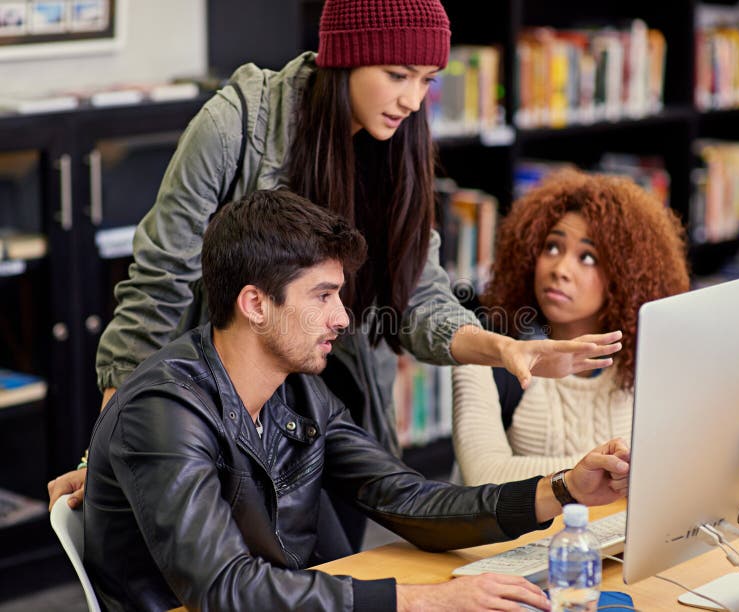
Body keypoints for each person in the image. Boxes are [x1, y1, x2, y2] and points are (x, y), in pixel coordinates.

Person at [48, 0, 621, 539]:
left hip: (330, 403)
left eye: (427, 80)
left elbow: (419, 304)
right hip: (227, 396)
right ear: (343, 56)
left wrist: (504, 350)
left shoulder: (400, 147)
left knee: (334, 561)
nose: (414, 101)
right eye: (398, 74)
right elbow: (157, 287)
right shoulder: (236, 125)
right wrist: (103, 448)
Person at [80, 189, 630, 611]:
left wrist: (563, 489)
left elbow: (407, 499)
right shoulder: (164, 409)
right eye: (322, 296)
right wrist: (417, 601)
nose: (342, 318)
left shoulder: (297, 390)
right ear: (254, 304)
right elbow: (224, 588)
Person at [453, 169, 689, 485]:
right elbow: (484, 477)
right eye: (552, 247)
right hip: (522, 535)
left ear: (624, 276)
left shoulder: (648, 361)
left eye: (588, 257)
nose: (560, 269)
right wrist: (605, 469)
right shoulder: (485, 353)